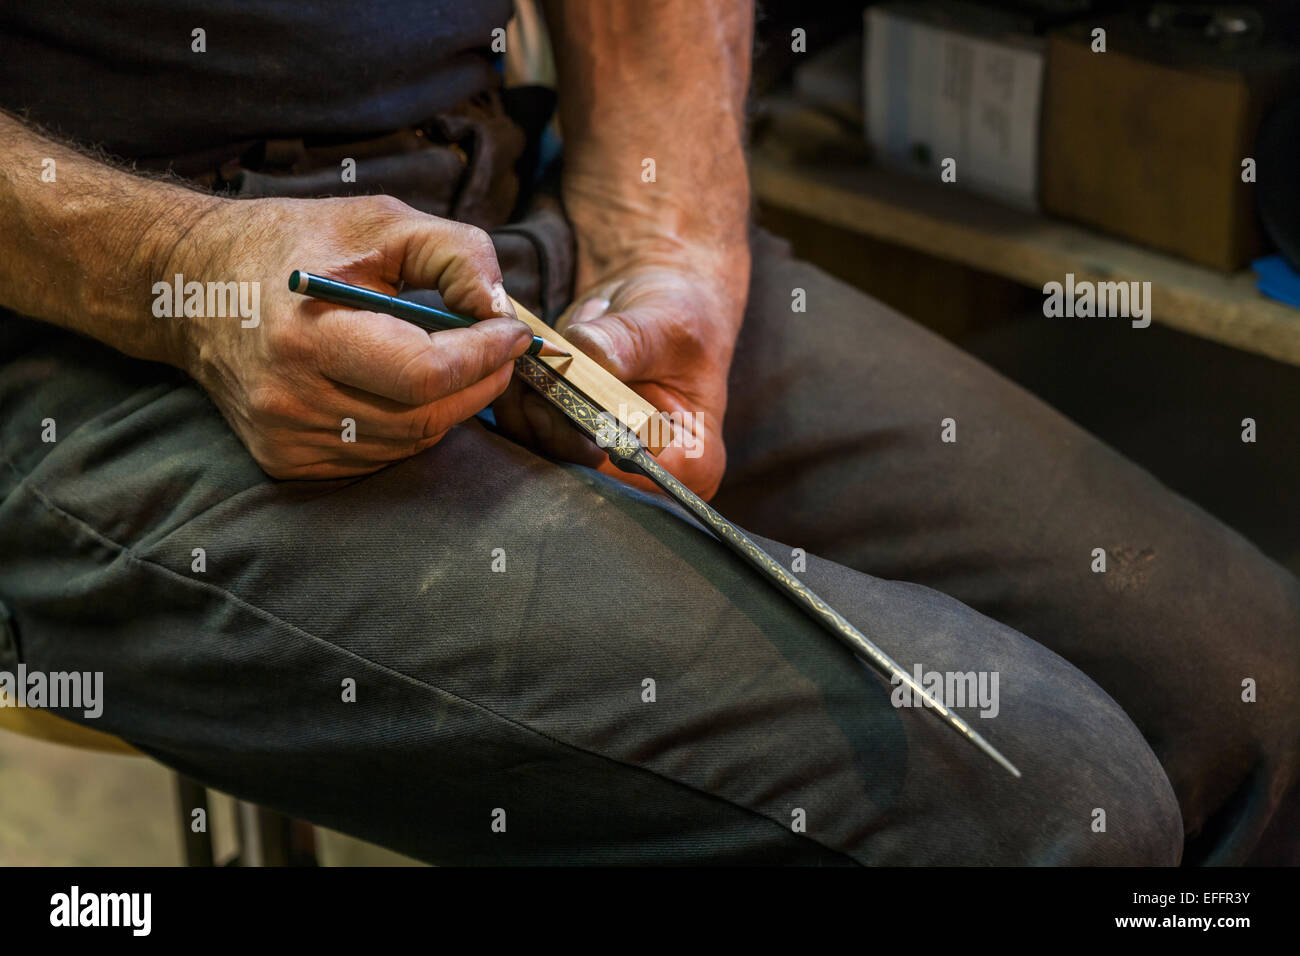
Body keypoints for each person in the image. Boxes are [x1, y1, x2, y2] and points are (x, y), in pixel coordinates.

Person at [0, 1, 1295, 865]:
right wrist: (173, 270)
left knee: (1264, 699)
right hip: (82, 334)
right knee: (1048, 805)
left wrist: (664, 237)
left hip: (498, 211)